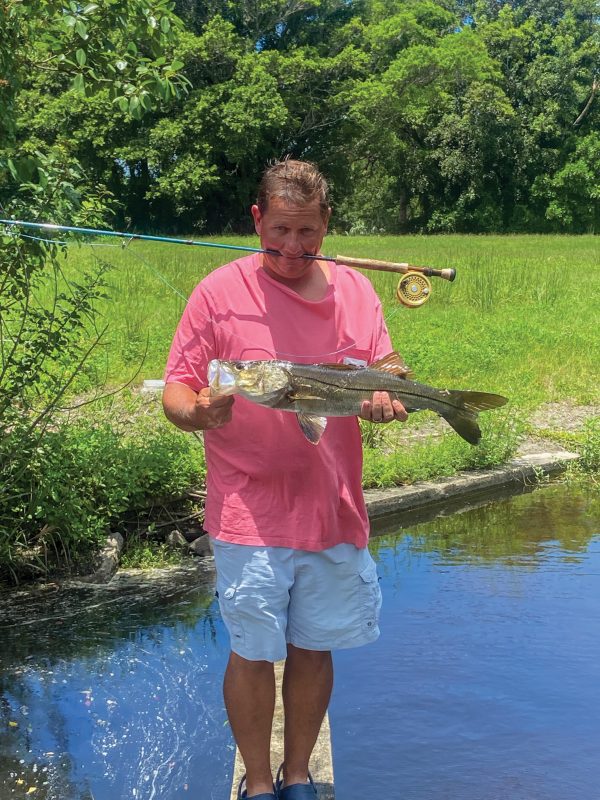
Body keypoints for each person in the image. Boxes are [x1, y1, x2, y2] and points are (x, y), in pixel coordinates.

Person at [162, 160, 407, 800]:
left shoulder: (355, 290)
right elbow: (177, 391)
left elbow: (386, 364)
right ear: (256, 220)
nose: (292, 248)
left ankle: (298, 774)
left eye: (307, 232)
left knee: (314, 646)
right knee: (251, 649)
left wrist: (388, 390)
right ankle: (258, 782)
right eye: (279, 231)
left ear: (326, 224)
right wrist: (200, 413)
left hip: (333, 506)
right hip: (250, 508)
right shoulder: (217, 293)